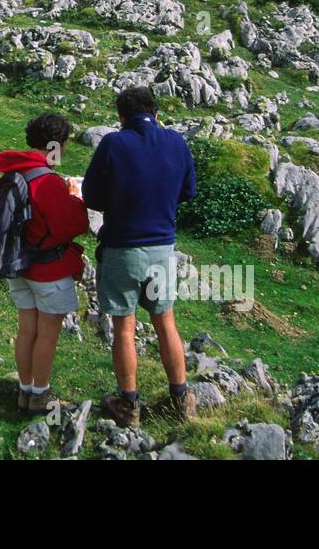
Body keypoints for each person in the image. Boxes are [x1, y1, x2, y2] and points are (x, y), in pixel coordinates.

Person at [82, 85, 198, 426]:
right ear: (156, 112)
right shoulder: (176, 142)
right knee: (166, 322)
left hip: (122, 248)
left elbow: (90, 195)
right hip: (162, 247)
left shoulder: (114, 144)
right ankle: (180, 398)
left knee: (124, 328)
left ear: (121, 117)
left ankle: (128, 404)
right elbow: (188, 191)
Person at [0, 113, 90, 414]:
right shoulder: (47, 182)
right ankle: (40, 394)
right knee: (47, 334)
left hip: (19, 264)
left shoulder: (15, 173)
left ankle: (24, 390)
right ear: (55, 145)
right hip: (48, 269)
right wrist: (74, 198)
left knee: (26, 330)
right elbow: (72, 225)